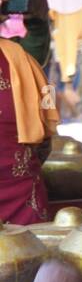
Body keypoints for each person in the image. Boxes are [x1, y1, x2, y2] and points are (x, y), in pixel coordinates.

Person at [0, 34, 56, 224]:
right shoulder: (25, 60)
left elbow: (46, 133)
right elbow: (46, 141)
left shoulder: (23, 60)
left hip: (21, 203)